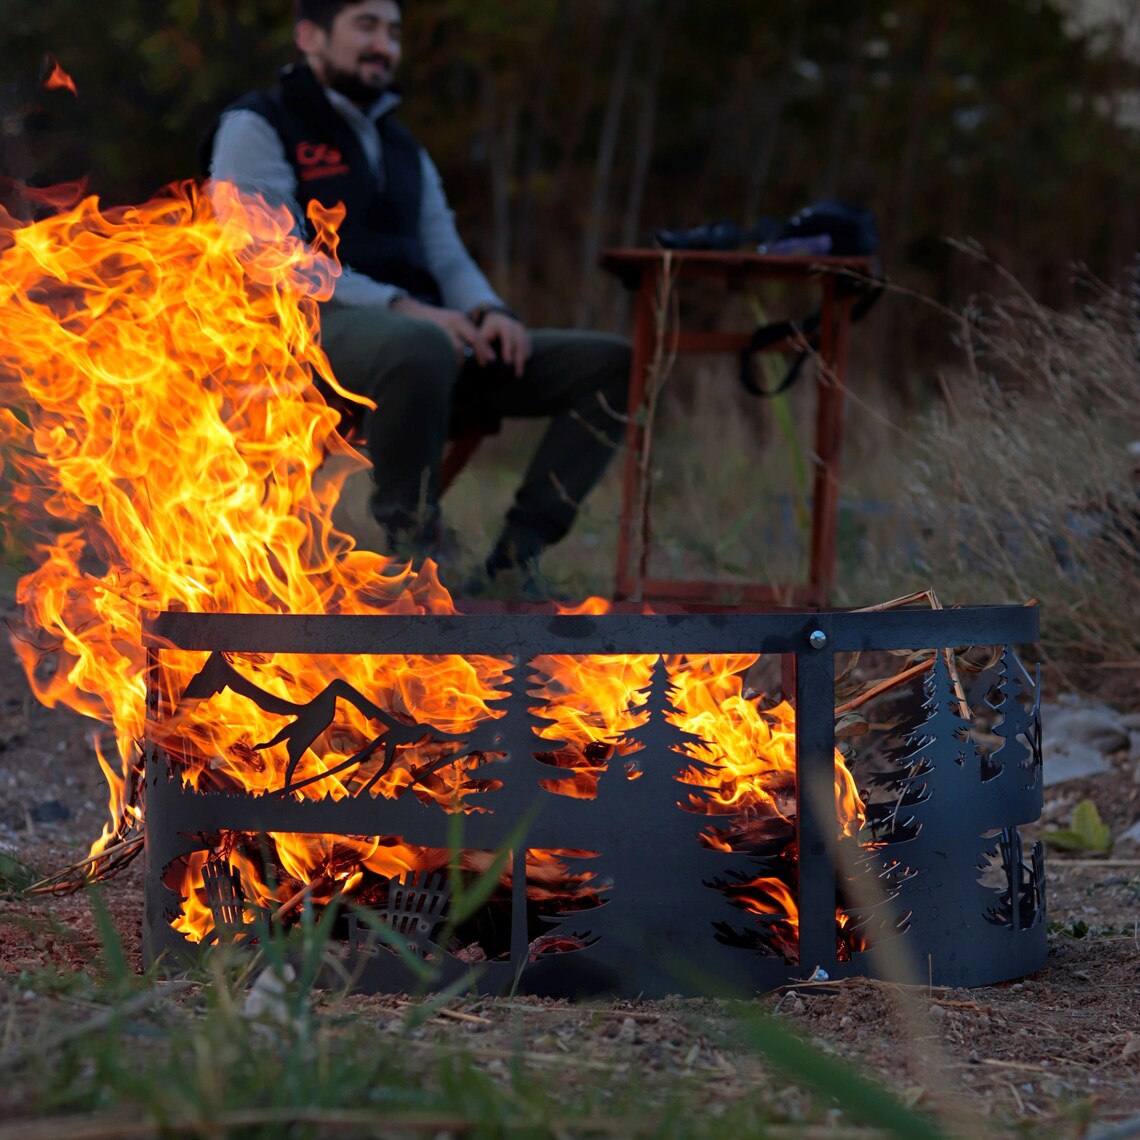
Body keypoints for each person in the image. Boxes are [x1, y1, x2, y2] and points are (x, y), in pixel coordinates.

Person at [208, 0, 631, 596]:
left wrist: (488, 312)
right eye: (366, 26)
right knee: (419, 344)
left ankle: (516, 560)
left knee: (610, 364)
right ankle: (416, 548)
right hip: (300, 334)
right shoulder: (259, 123)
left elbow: (445, 252)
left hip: (423, 338)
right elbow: (265, 254)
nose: (384, 45)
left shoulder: (402, 146)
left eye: (393, 32)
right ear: (310, 36)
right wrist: (402, 308)